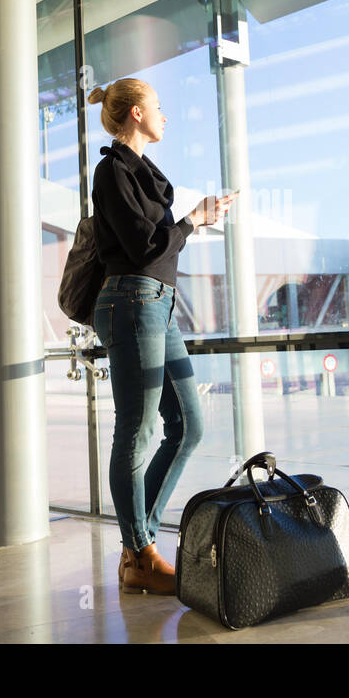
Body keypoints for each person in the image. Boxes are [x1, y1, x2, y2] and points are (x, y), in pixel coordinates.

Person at [88, 78, 236, 595]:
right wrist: (193, 221)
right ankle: (141, 552)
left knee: (189, 426)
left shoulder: (147, 176)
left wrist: (200, 218)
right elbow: (147, 247)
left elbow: (157, 249)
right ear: (134, 114)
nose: (165, 116)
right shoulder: (110, 172)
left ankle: (138, 544)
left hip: (158, 304)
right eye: (158, 107)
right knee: (137, 429)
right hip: (131, 302)